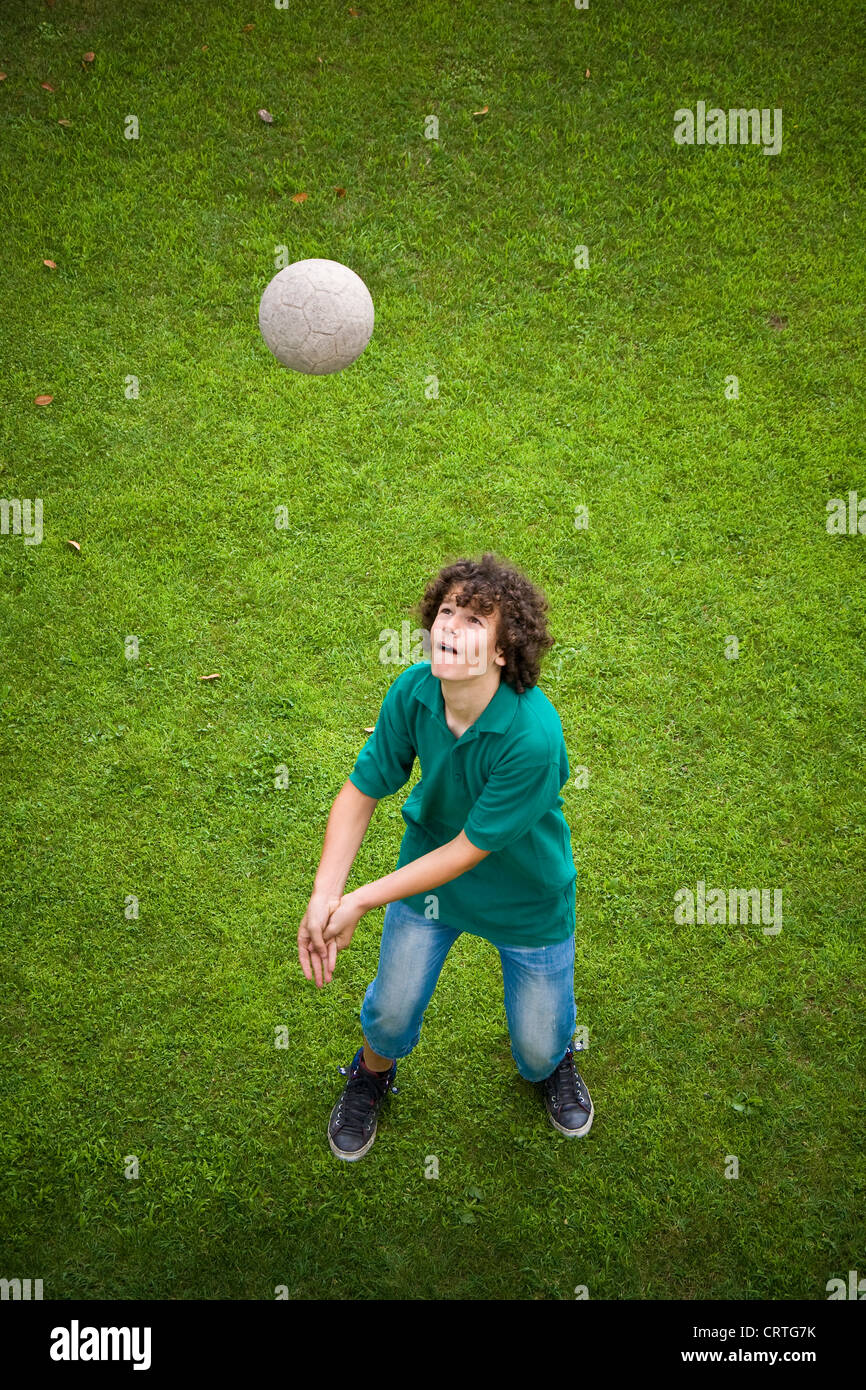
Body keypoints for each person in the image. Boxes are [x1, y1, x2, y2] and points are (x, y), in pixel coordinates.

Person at [297, 551, 593, 1161]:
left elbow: (468, 851)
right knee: (391, 1009)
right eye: (448, 611)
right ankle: (372, 1073)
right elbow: (361, 791)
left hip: (526, 896)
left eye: (476, 621)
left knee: (537, 1050)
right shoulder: (414, 691)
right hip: (429, 881)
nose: (451, 627)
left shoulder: (533, 737)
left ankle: (556, 1057)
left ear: (505, 652)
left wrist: (359, 899)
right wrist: (325, 893)